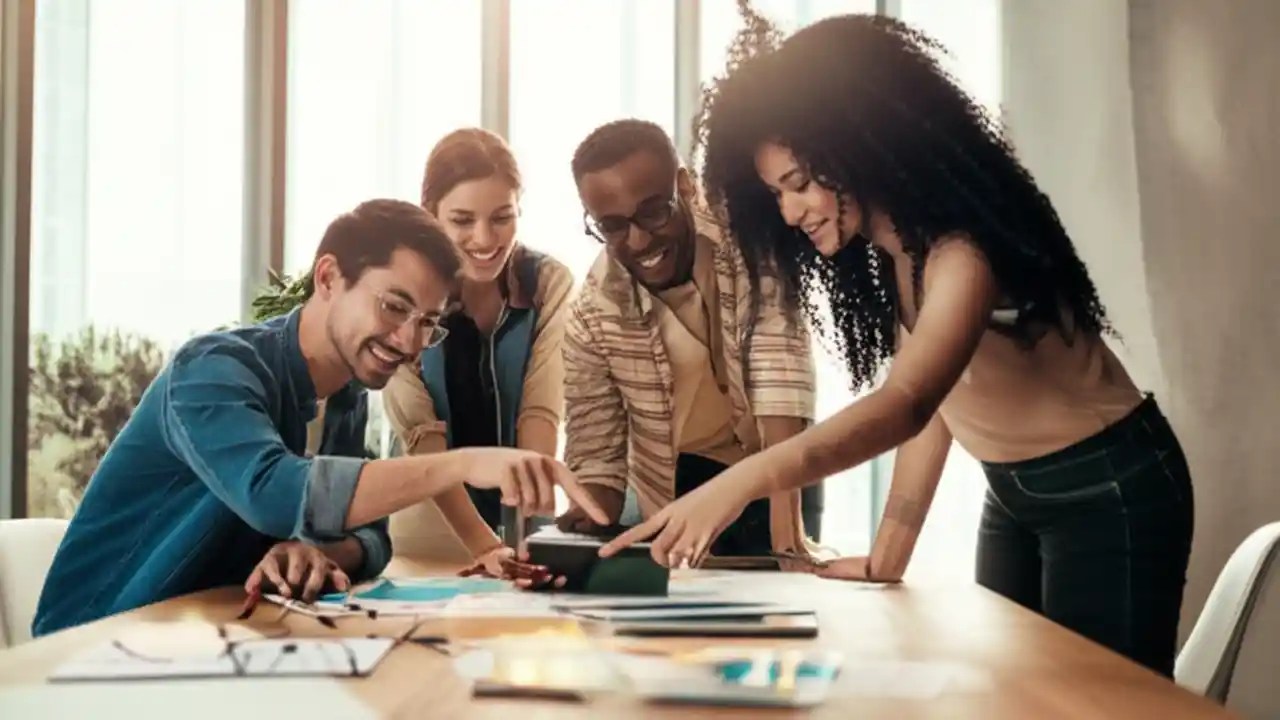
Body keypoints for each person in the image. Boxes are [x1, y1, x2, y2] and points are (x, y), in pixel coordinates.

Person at [602, 12, 1195, 677]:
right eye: (776, 195)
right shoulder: (892, 254)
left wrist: (739, 482)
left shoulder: (964, 253)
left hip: (1107, 485)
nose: (791, 213)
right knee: (1020, 696)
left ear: (861, 143)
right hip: (1015, 494)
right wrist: (891, 552)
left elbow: (906, 404)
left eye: (800, 183)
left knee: (1104, 707)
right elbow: (942, 407)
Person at [33, 199, 605, 637]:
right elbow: (276, 492)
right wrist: (461, 464)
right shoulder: (211, 370)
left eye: (428, 322)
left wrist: (317, 552)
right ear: (329, 277)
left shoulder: (346, 399)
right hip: (96, 645)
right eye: (394, 306)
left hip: (218, 635)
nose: (410, 341)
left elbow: (371, 536)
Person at [561, 118, 823, 562]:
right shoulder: (592, 313)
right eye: (613, 227)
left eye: (653, 212)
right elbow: (597, 451)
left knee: (790, 604)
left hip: (784, 457)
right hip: (686, 480)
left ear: (684, 187)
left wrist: (788, 542)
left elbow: (780, 371)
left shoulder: (750, 239)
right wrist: (582, 520)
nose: (639, 239)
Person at [382, 128, 574, 579]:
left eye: (502, 217)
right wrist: (485, 545)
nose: (485, 239)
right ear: (432, 216)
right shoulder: (403, 297)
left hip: (521, 523)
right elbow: (422, 441)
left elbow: (541, 410)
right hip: (427, 531)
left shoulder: (547, 284)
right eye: (463, 220)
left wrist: (528, 540)